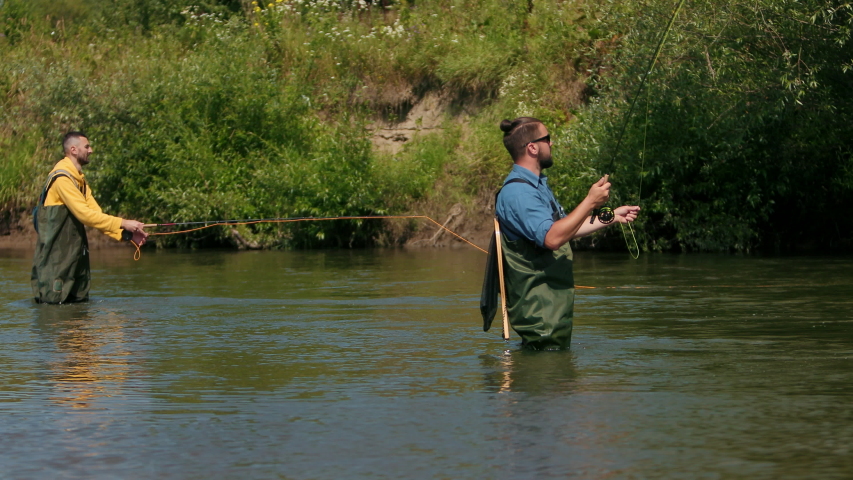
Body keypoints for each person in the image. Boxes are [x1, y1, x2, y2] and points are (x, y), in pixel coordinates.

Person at [494, 117, 640, 350]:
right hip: (539, 313)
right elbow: (552, 239)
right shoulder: (518, 193)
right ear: (532, 147)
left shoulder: (536, 186)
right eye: (547, 139)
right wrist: (590, 201)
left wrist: (612, 216)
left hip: (551, 309)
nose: (551, 144)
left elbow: (565, 229)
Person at [31, 131, 148, 304]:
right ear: (73, 150)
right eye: (87, 146)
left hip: (74, 256)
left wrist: (125, 234)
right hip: (56, 259)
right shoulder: (62, 178)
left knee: (78, 307)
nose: (91, 150)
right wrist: (124, 222)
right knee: (55, 308)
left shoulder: (79, 180)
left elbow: (96, 215)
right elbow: (84, 215)